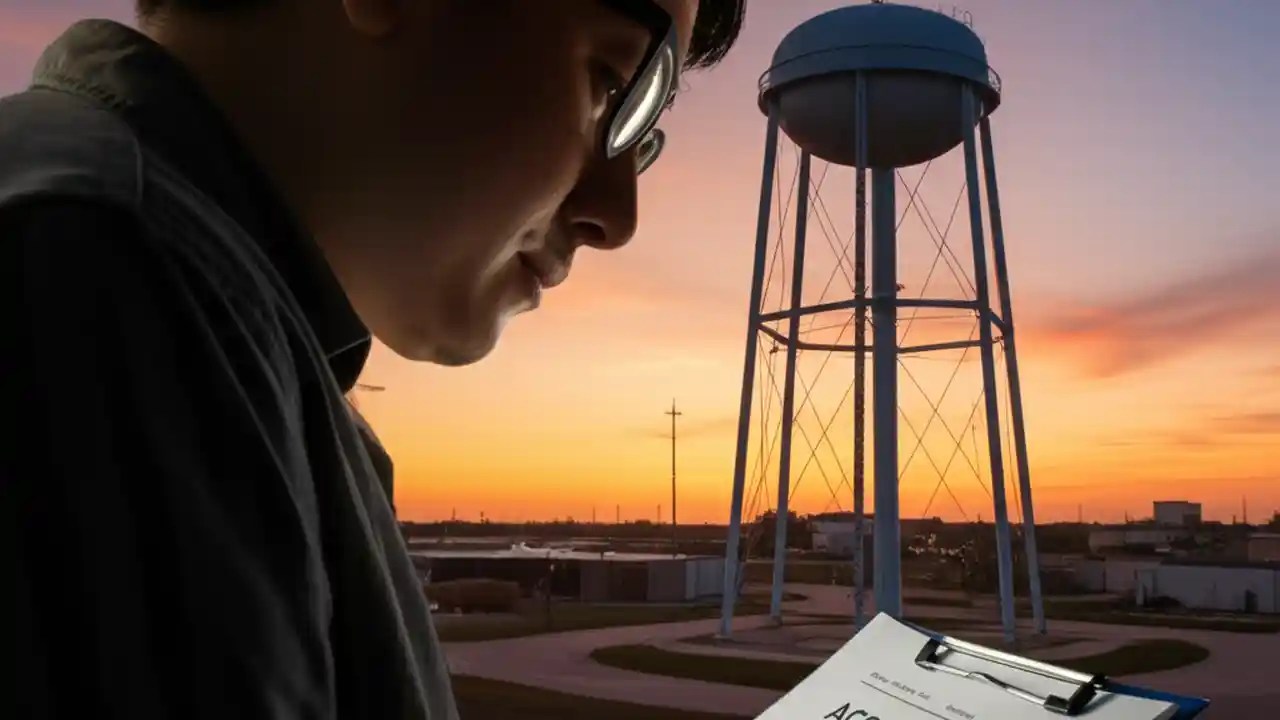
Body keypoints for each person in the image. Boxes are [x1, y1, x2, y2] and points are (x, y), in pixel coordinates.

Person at [0, 1, 746, 717]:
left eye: (644, 138)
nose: (617, 216)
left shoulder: (228, 329)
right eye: (616, 87)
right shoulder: (95, 270)